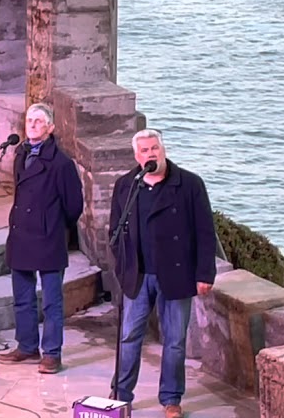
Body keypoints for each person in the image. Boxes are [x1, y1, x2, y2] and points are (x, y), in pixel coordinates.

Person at [110, 129, 217, 418]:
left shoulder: (190, 185)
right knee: (130, 336)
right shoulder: (126, 186)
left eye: (154, 148)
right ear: (136, 156)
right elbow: (115, 231)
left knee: (174, 341)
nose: (150, 154)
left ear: (163, 149)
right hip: (138, 276)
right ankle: (121, 395)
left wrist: (204, 273)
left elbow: (206, 233)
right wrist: (122, 267)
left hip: (177, 275)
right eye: (144, 150)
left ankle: (171, 398)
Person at [0, 103, 85, 374]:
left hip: (48, 237)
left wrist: (54, 224)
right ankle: (26, 346)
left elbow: (74, 206)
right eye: (29, 120)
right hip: (22, 234)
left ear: (50, 128)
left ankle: (52, 353)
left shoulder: (61, 163)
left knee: (51, 301)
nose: (32, 125)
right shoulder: (21, 154)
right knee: (22, 297)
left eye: (38, 121)